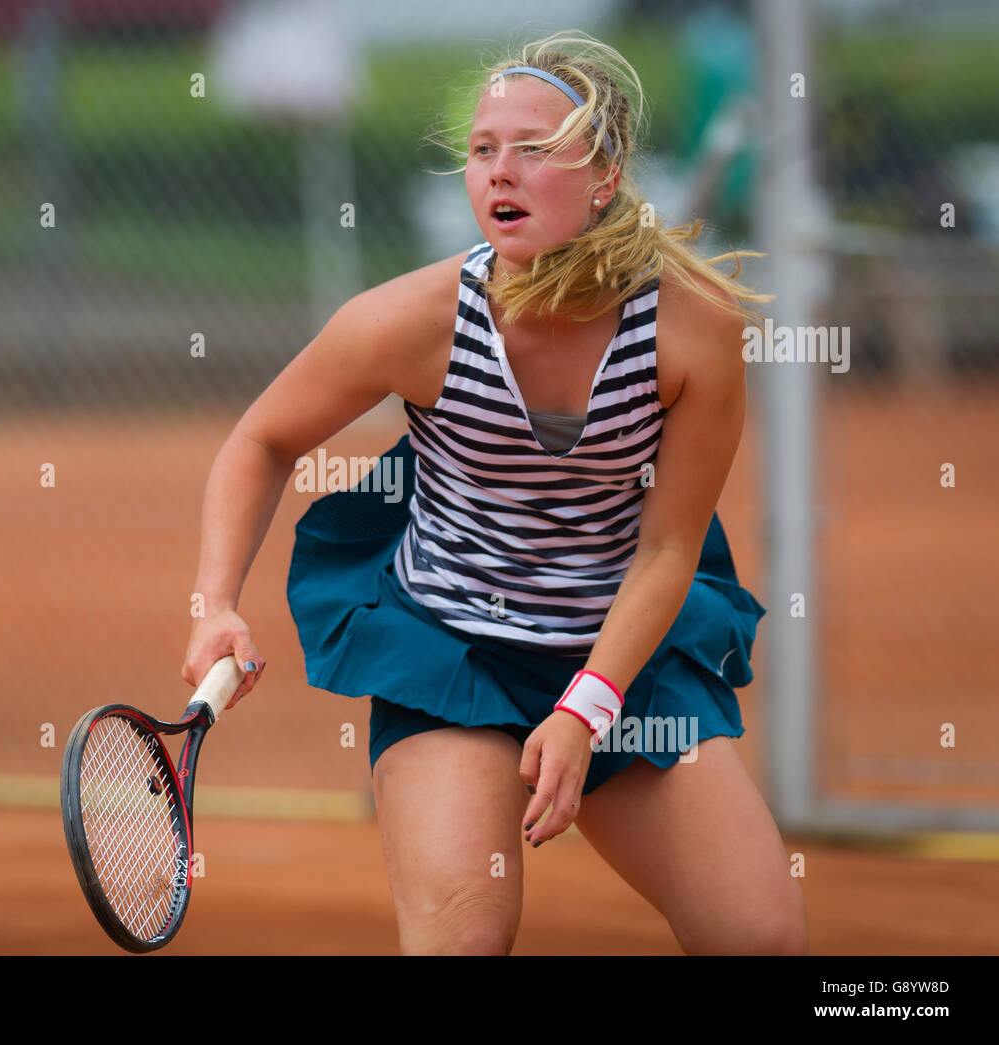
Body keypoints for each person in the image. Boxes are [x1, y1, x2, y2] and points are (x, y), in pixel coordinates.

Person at [182, 30, 808, 956]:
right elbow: (260, 439)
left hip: (622, 657)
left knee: (762, 940)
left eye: (535, 148)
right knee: (464, 942)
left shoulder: (693, 329)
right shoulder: (410, 321)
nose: (498, 172)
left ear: (607, 173)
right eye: (482, 150)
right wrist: (215, 604)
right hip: (452, 656)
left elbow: (670, 548)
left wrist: (587, 707)